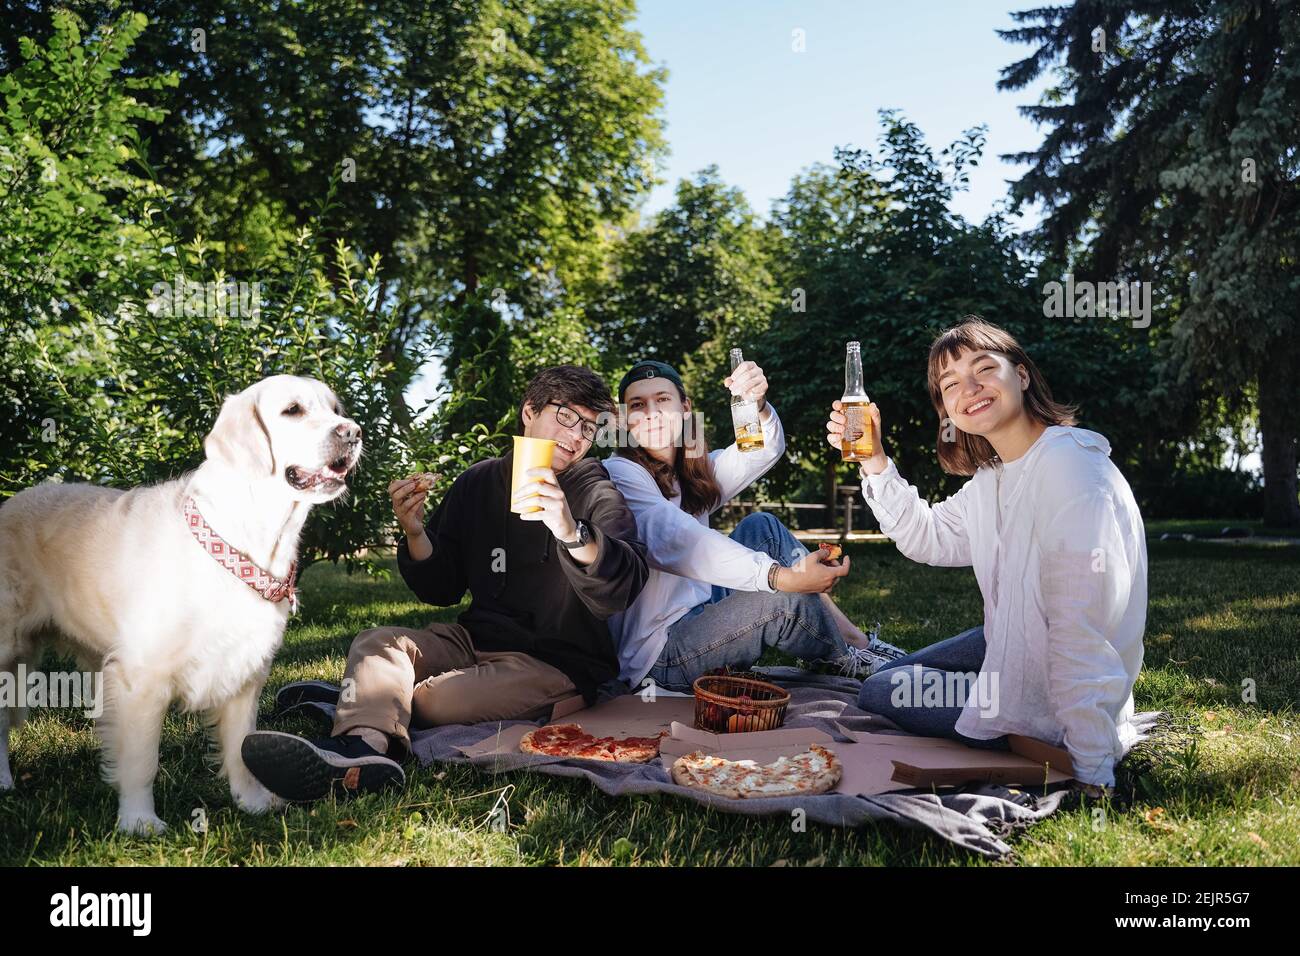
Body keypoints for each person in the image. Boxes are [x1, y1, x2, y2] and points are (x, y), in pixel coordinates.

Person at [241, 365, 649, 801]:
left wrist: (571, 530)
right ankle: (361, 750)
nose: (577, 436)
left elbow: (624, 580)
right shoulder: (480, 481)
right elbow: (442, 588)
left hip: (557, 662)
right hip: (475, 640)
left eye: (589, 427)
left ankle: (367, 698)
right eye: (566, 417)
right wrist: (416, 532)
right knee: (377, 641)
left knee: (435, 700)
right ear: (529, 411)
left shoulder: (591, 486)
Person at [826, 316, 1147, 791]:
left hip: (1049, 699)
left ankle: (1014, 723)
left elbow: (1081, 629)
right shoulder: (994, 478)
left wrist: (1092, 766)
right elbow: (926, 536)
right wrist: (874, 458)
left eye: (983, 369)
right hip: (1014, 641)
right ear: (946, 409)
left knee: (880, 688)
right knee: (894, 672)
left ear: (1022, 374)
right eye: (950, 384)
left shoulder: (1069, 467)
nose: (968, 388)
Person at [604, 358, 905, 696]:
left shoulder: (689, 474)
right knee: (781, 599)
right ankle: (841, 657)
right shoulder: (620, 473)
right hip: (658, 656)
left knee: (762, 527)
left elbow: (760, 452)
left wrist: (758, 405)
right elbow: (676, 540)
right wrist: (779, 576)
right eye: (637, 405)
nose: (652, 413)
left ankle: (855, 643)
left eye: (662, 400)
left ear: (685, 409)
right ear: (623, 420)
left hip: (698, 610)